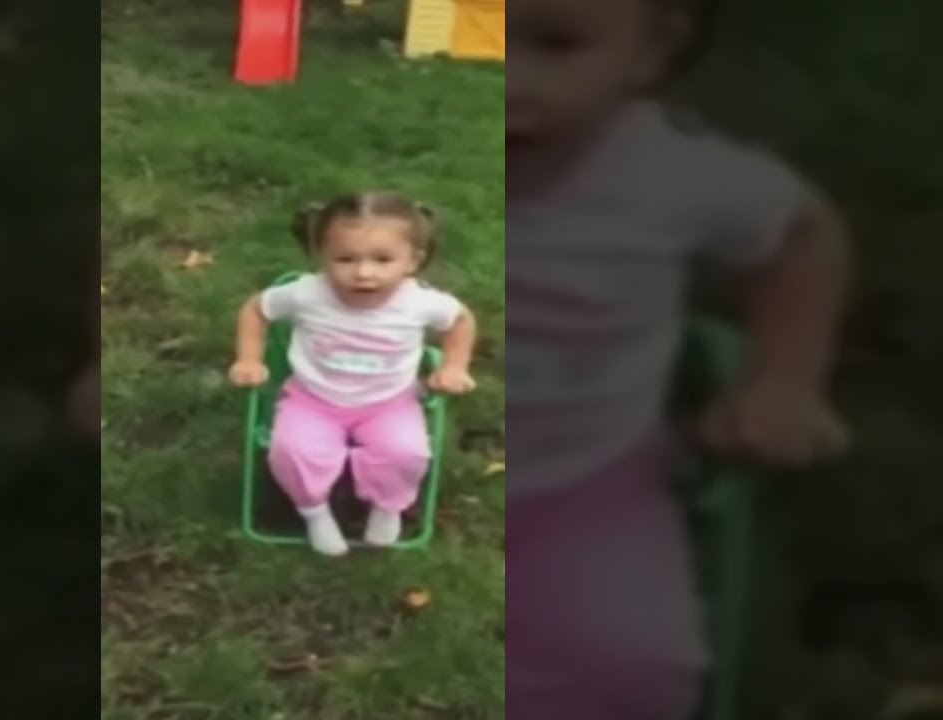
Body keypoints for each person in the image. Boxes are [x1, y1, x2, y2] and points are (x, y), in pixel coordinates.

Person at [506, 0, 850, 717]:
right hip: (369, 472)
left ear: (650, 54)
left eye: (556, 43)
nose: (502, 77)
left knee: (625, 666)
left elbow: (801, 235)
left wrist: (784, 380)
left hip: (576, 490)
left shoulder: (666, 175)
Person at [228, 191, 478, 557]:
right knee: (293, 451)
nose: (363, 273)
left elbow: (460, 321)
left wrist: (454, 365)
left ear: (413, 261)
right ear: (322, 257)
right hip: (313, 399)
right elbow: (255, 309)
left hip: (389, 402)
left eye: (382, 259)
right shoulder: (306, 294)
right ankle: (313, 510)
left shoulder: (421, 302)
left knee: (405, 453)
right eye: (344, 259)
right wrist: (248, 358)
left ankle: (387, 504)